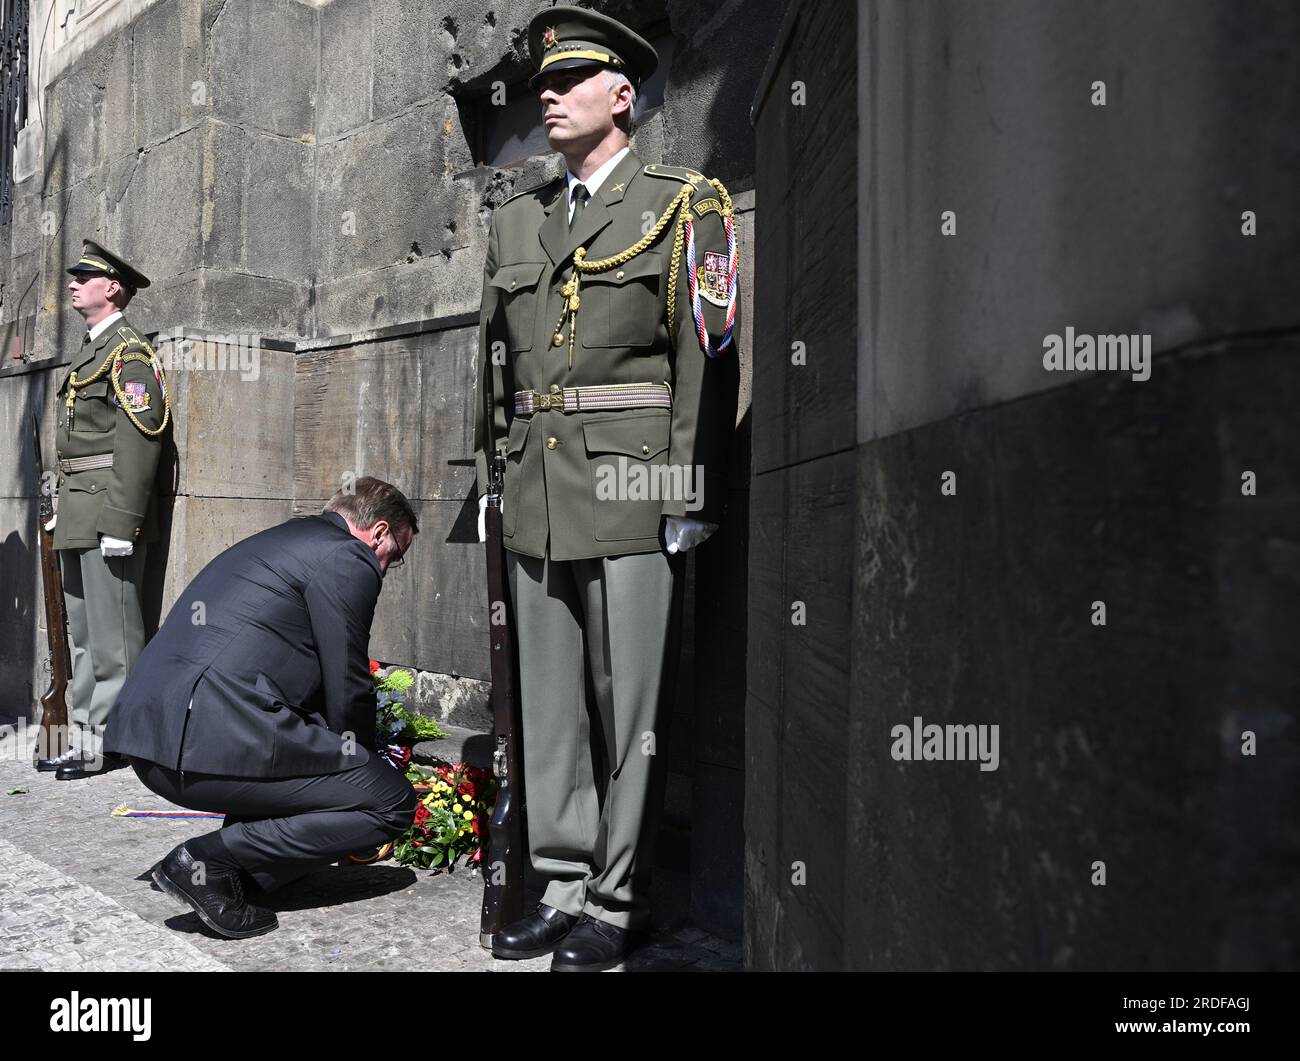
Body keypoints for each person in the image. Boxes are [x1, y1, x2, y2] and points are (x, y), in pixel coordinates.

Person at [473, 6, 740, 971]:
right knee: (548, 700)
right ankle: (560, 876)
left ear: (622, 97)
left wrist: (689, 490)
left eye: (568, 81)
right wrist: (490, 477)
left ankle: (618, 901)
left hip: (636, 483)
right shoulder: (520, 218)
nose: (546, 95)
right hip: (538, 486)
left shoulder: (684, 203)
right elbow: (495, 366)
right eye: (543, 83)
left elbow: (705, 358)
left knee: (632, 703)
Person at [103, 478, 420, 939]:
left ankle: (247, 872)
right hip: (207, 740)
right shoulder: (347, 557)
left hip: (156, 740)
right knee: (389, 803)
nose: (389, 567)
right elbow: (347, 680)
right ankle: (207, 862)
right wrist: (365, 766)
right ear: (378, 532)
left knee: (311, 755)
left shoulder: (283, 540)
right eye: (397, 553)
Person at [36, 240, 170, 781]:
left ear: (111, 288)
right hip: (78, 509)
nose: (72, 283)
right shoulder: (93, 349)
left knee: (115, 634)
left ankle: (115, 738)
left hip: (107, 512)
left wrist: (122, 520)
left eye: (83, 276)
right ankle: (90, 730)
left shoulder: (128, 354)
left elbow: (140, 443)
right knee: (87, 631)